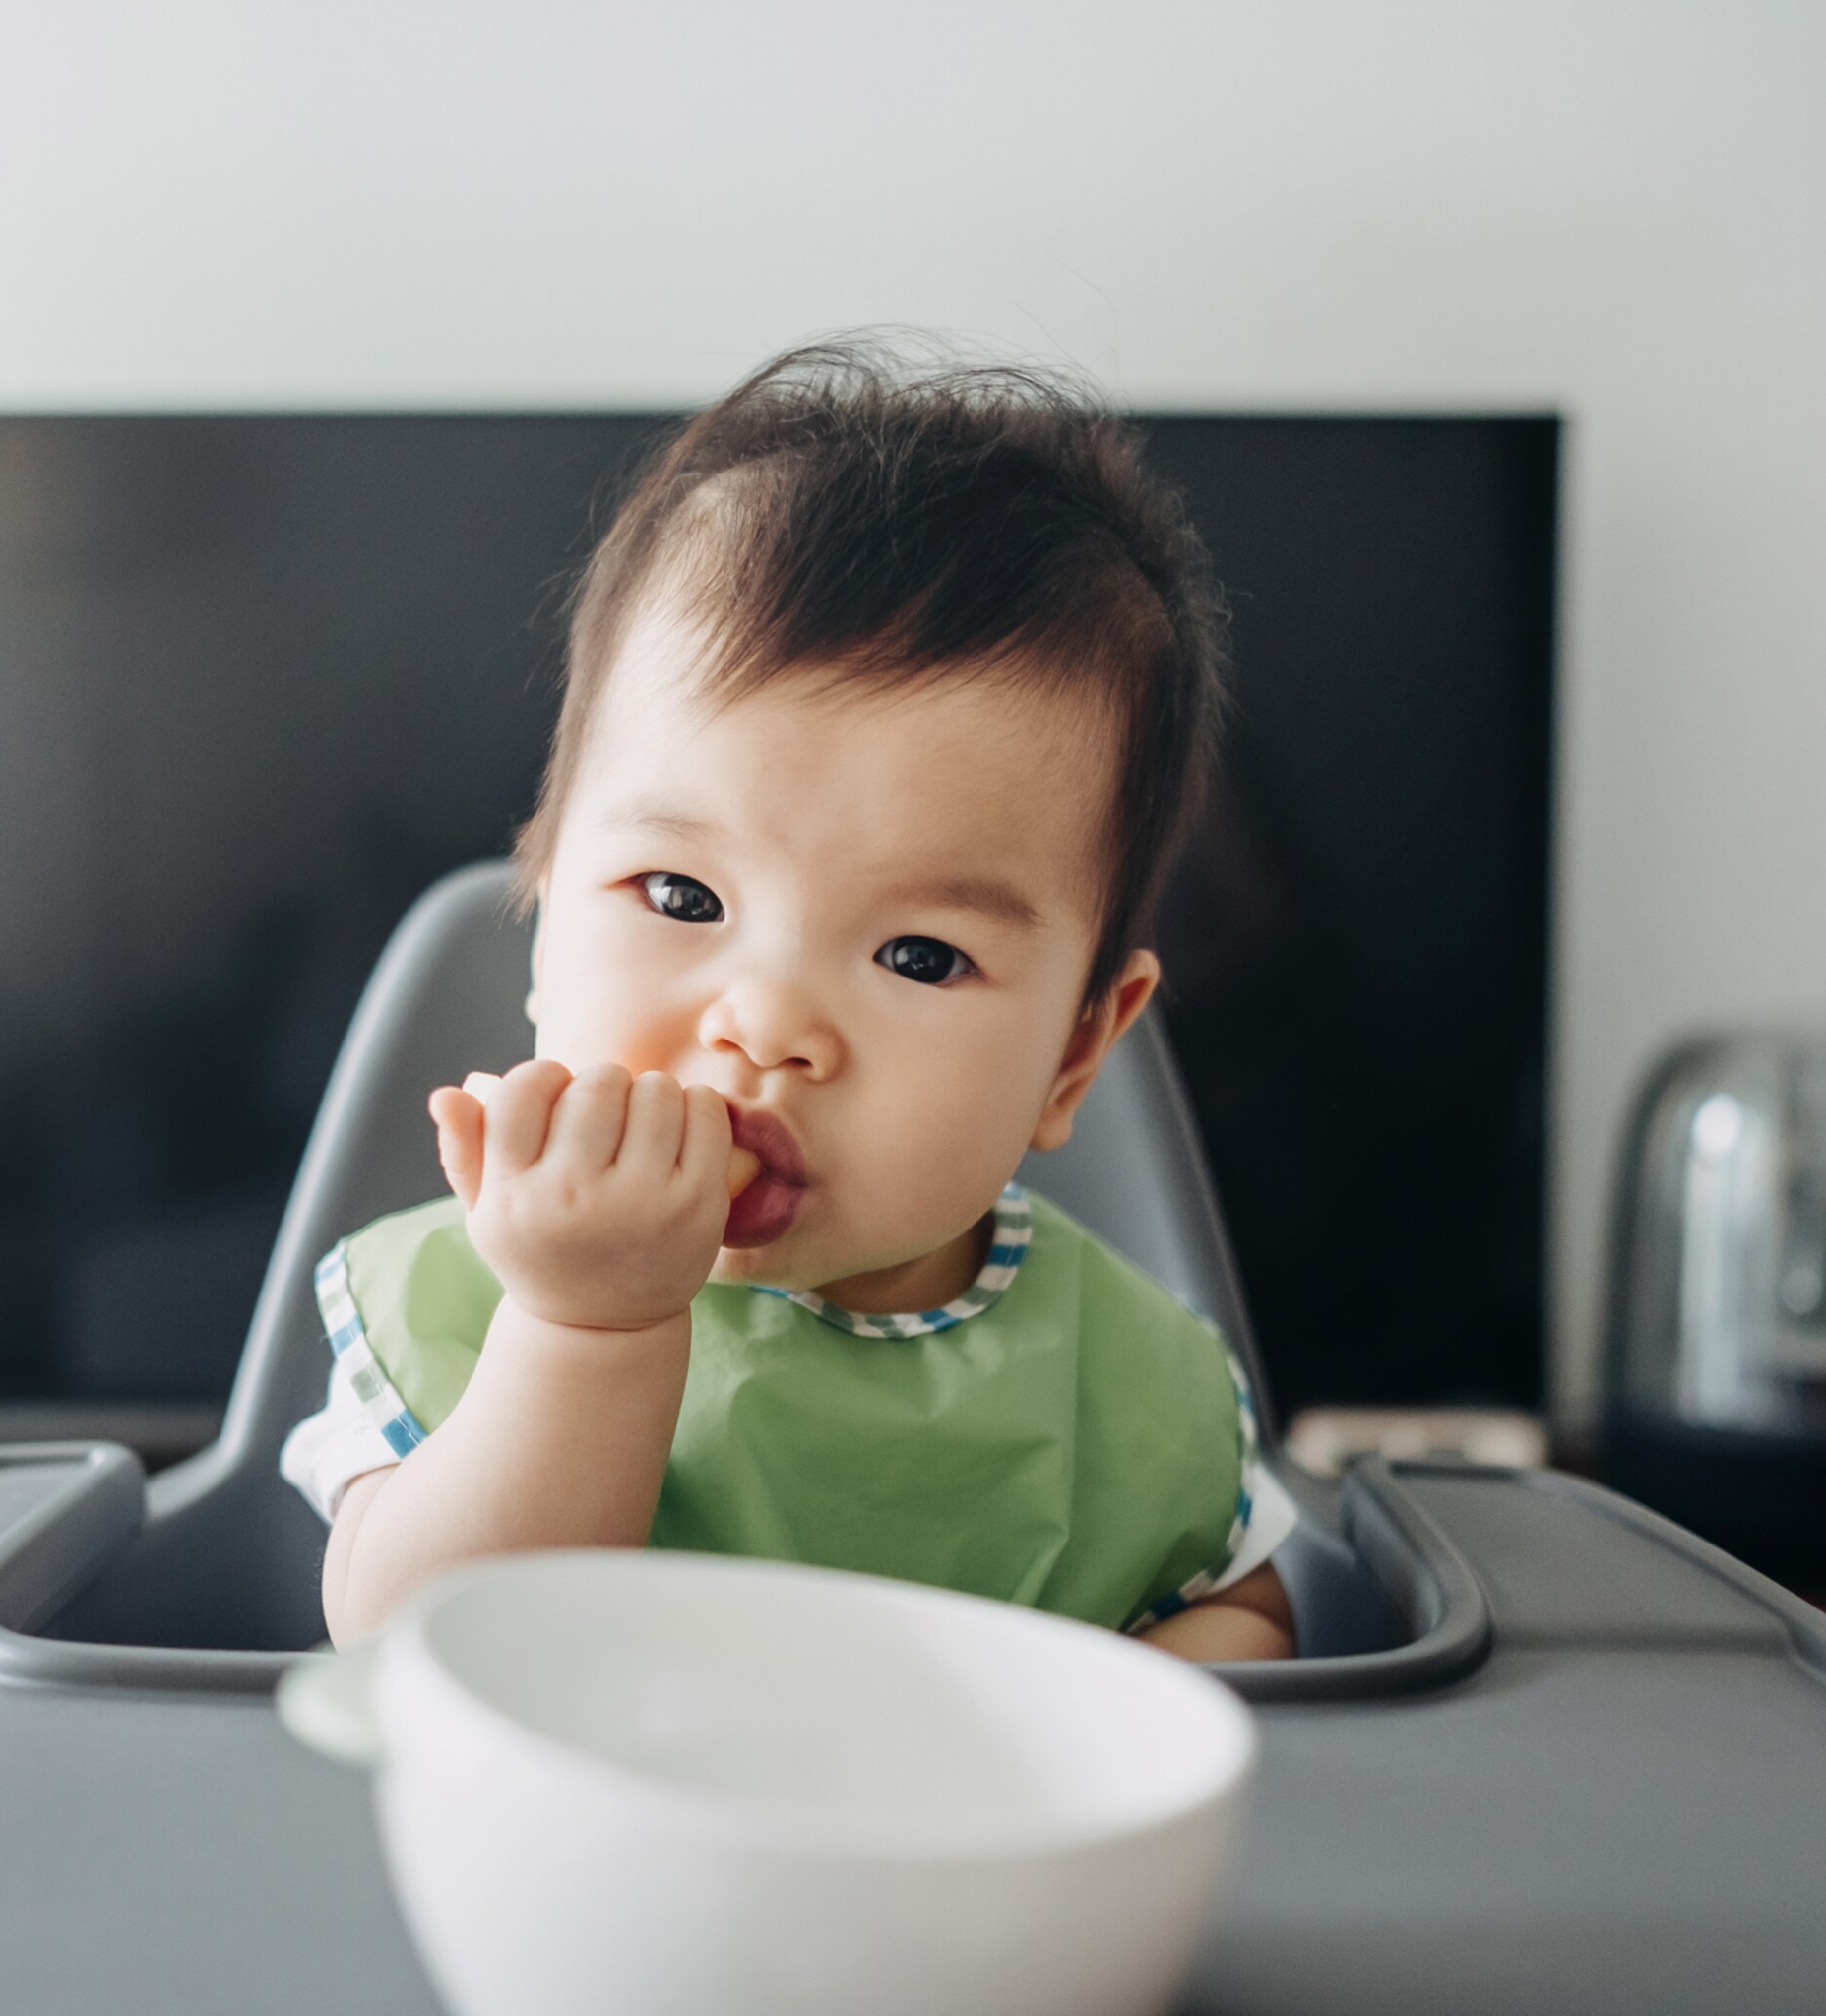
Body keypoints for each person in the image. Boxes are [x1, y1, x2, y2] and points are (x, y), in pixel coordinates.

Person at [280, 339, 1298, 1661]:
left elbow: (1239, 1616)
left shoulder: (1123, 1375)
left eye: (920, 956)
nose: (764, 1027)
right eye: (683, 898)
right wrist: (584, 1327)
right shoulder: (463, 1297)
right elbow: (413, 1643)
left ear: (1073, 1053)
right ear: (537, 927)